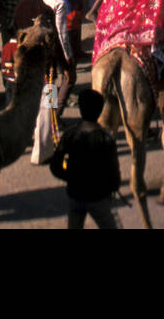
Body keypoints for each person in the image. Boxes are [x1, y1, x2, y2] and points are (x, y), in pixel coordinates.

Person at [49, 87, 121, 229]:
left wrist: (69, 176)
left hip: (75, 194)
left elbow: (55, 165)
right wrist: (112, 187)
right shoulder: (106, 138)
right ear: (100, 111)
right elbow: (113, 171)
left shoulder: (70, 135)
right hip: (99, 196)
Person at [44, 0, 76, 110]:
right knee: (69, 77)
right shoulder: (59, 2)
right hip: (55, 45)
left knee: (50, 79)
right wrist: (67, 55)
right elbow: (61, 31)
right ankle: (55, 111)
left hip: (43, 43)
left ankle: (49, 110)